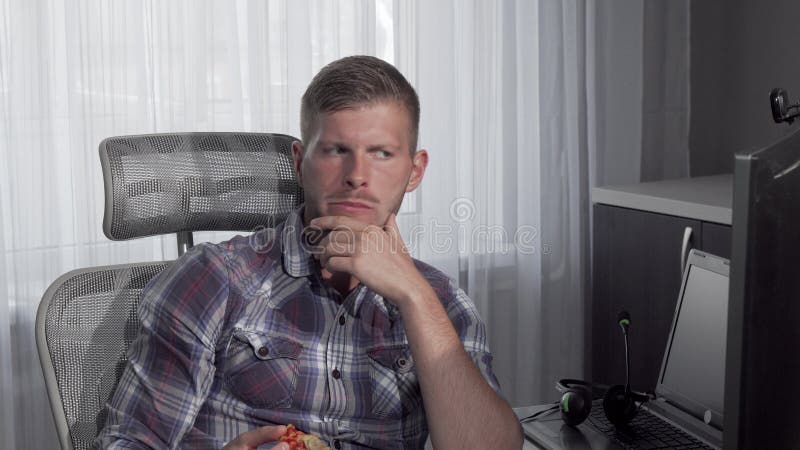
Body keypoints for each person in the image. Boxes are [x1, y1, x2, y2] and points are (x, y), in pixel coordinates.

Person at [94, 55, 523, 450]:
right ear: (300, 162)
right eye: (337, 150)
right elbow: (129, 442)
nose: (357, 175)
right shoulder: (214, 278)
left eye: (381, 153)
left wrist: (414, 296)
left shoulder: (440, 301)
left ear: (414, 172)